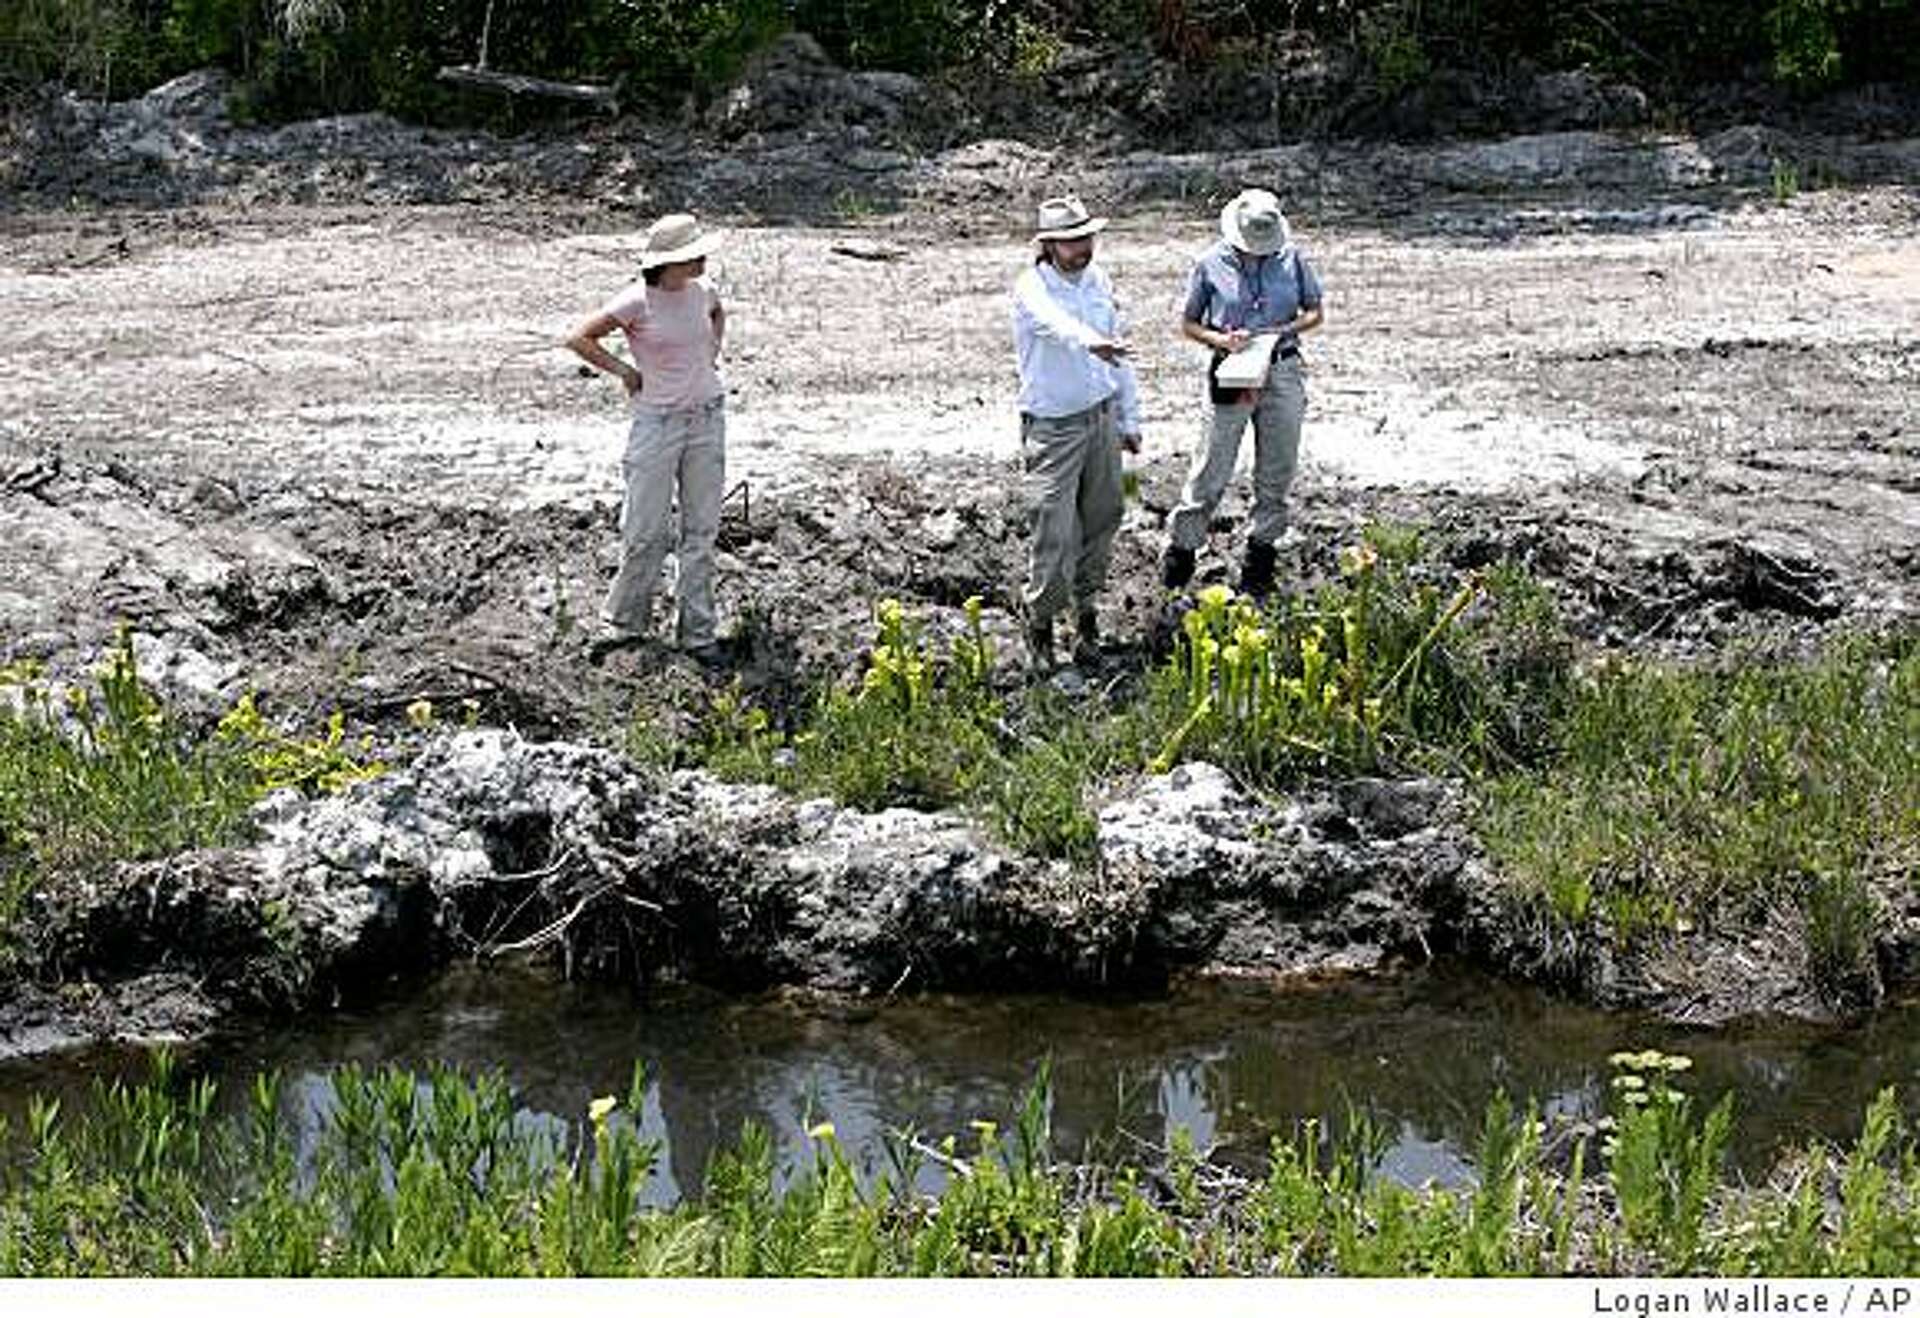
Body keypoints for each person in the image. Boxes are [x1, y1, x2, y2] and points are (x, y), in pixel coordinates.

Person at [566, 212, 728, 666]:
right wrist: (625, 372)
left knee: (700, 531)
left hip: (707, 419)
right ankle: (622, 625)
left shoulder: (703, 291)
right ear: (668, 261)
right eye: (692, 255)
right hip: (657, 423)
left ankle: (698, 634)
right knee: (644, 532)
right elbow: (579, 337)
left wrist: (712, 354)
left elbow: (717, 314)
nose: (700, 261)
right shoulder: (637, 301)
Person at [1160, 187, 1324, 600]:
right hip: (1231, 371)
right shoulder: (1211, 263)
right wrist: (1221, 338)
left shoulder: (1292, 259)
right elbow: (1188, 323)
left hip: (1281, 368)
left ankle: (1260, 557)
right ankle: (1181, 553)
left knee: (1278, 466)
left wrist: (1281, 331)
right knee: (1213, 464)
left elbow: (1314, 312)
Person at [1009, 195, 1143, 669]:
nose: (1082, 247)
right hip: (1054, 428)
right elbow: (1054, 324)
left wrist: (1131, 419)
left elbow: (1120, 353)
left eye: (1086, 237)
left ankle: (1086, 618)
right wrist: (1093, 343)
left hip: (1102, 418)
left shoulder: (1099, 281)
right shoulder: (1032, 286)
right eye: (1070, 241)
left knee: (1106, 515)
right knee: (1054, 529)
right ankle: (1041, 624)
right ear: (1049, 246)